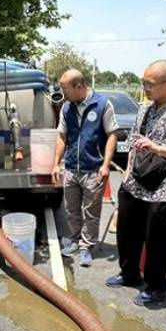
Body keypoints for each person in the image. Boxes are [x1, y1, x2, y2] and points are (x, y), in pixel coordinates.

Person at [107, 60, 166, 306]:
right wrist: (128, 172)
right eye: (143, 83)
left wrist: (157, 148)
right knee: (127, 231)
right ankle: (129, 273)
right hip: (136, 181)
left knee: (158, 240)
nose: (145, 88)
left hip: (165, 186)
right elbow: (133, 142)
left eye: (150, 84)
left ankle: (156, 285)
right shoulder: (145, 108)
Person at [51, 69, 119, 267]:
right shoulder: (66, 108)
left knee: (91, 212)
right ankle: (74, 240)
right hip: (71, 168)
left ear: (78, 86)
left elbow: (112, 135)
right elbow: (62, 136)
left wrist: (106, 165)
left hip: (93, 170)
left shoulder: (102, 104)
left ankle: (87, 246)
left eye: (65, 88)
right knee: (71, 210)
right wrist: (56, 163)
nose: (63, 93)